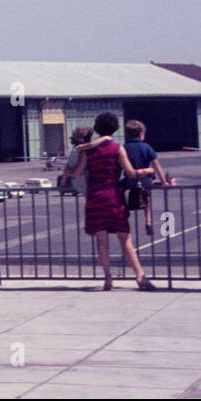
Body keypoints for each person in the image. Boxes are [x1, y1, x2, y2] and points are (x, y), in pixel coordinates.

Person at [68, 112, 155, 291]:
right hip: (114, 196)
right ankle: (139, 276)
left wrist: (69, 171)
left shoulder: (89, 151)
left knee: (101, 241)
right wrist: (147, 171)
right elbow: (131, 173)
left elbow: (77, 173)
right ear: (115, 128)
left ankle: (108, 278)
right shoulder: (117, 148)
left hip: (95, 197)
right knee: (125, 239)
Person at [124, 120, 172, 237]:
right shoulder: (146, 147)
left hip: (131, 178)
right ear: (141, 134)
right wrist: (163, 181)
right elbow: (156, 165)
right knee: (147, 200)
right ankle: (148, 222)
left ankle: (124, 214)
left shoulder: (124, 148)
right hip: (146, 178)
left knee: (123, 194)